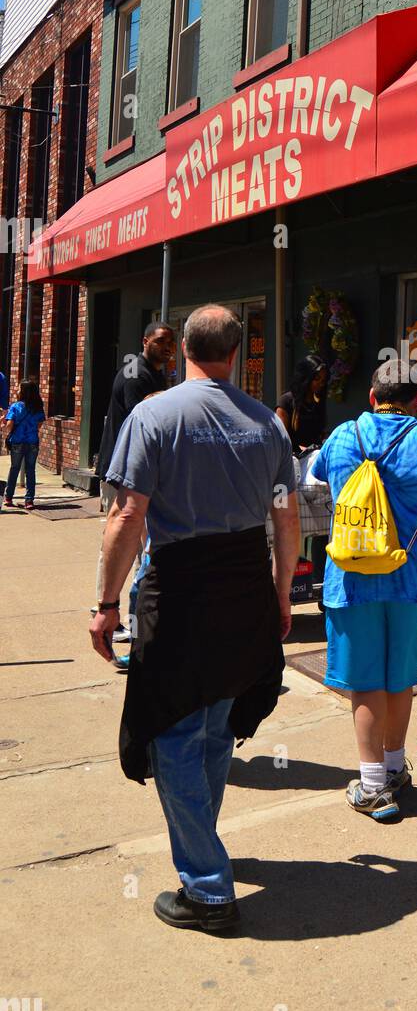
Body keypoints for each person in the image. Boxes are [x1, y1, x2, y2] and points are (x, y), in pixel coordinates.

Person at [89, 305, 300, 932]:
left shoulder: (152, 415)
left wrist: (105, 605)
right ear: (237, 351)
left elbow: (127, 517)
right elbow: (286, 518)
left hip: (180, 586)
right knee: (212, 723)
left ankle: (208, 887)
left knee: (178, 729)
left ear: (184, 346)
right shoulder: (268, 424)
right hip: (243, 589)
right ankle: (204, 848)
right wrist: (281, 594)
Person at [312, 358, 417, 820]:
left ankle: (371, 786)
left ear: (372, 397)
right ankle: (392, 769)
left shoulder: (345, 434)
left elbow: (315, 473)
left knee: (365, 682)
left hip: (351, 580)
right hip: (411, 577)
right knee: (401, 677)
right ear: (416, 402)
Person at [94, 322, 175, 645]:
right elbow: (140, 416)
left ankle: (134, 612)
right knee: (118, 538)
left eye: (171, 342)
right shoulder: (135, 373)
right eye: (160, 341)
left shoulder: (153, 373)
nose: (167, 346)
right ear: (145, 341)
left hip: (141, 472)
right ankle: (107, 605)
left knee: (144, 546)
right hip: (122, 469)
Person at [3, 380, 46, 511]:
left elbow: (9, 425)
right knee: (31, 470)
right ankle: (29, 500)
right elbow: (39, 424)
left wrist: (7, 427)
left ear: (23, 391)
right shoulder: (38, 407)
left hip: (17, 441)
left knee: (14, 468)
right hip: (32, 441)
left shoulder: (16, 406)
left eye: (19, 388)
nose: (17, 390)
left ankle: (8, 497)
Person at [276, 354, 328, 455]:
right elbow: (281, 440)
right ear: (306, 377)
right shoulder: (286, 401)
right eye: (317, 379)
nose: (321, 384)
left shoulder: (317, 402)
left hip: (314, 459)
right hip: (293, 460)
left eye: (323, 380)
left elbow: (319, 433)